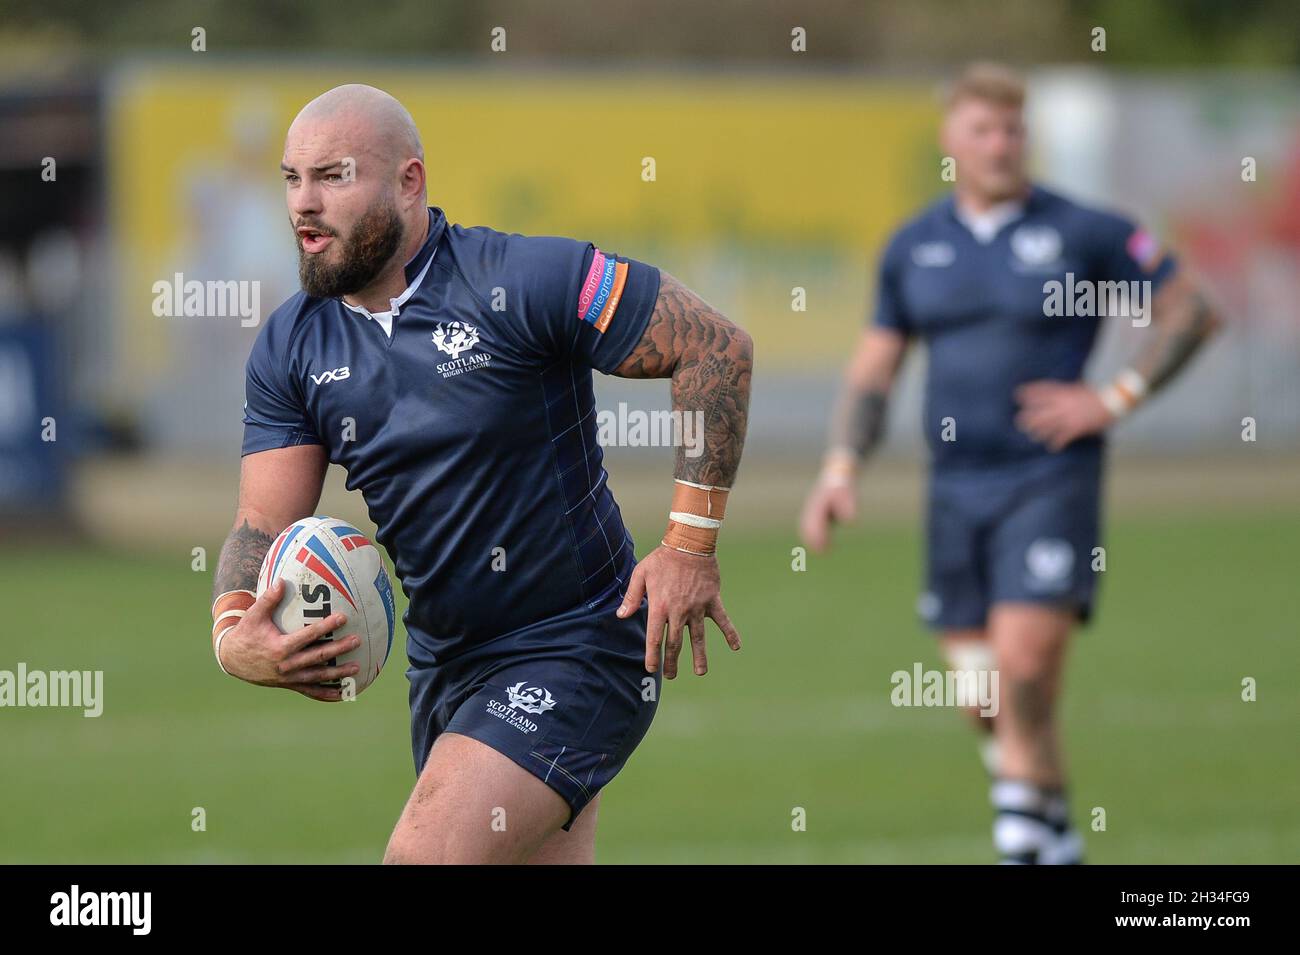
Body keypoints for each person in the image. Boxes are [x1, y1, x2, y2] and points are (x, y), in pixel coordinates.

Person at [209, 84, 752, 864]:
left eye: (333, 176)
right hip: (446, 667)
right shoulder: (292, 346)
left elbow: (714, 346)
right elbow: (261, 527)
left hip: (578, 644)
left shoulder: (523, 279)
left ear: (409, 181)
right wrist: (234, 637)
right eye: (292, 178)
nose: (304, 203)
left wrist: (690, 545)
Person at [800, 63, 1219, 863]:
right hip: (955, 491)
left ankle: (1023, 846)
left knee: (1024, 672)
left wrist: (1116, 396)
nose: (1001, 145)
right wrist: (840, 469)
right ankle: (1056, 840)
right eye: (983, 130)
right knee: (985, 702)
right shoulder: (914, 246)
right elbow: (873, 370)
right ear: (950, 141)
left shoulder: (1083, 230)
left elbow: (1194, 307)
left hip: (1049, 480)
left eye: (1014, 130)